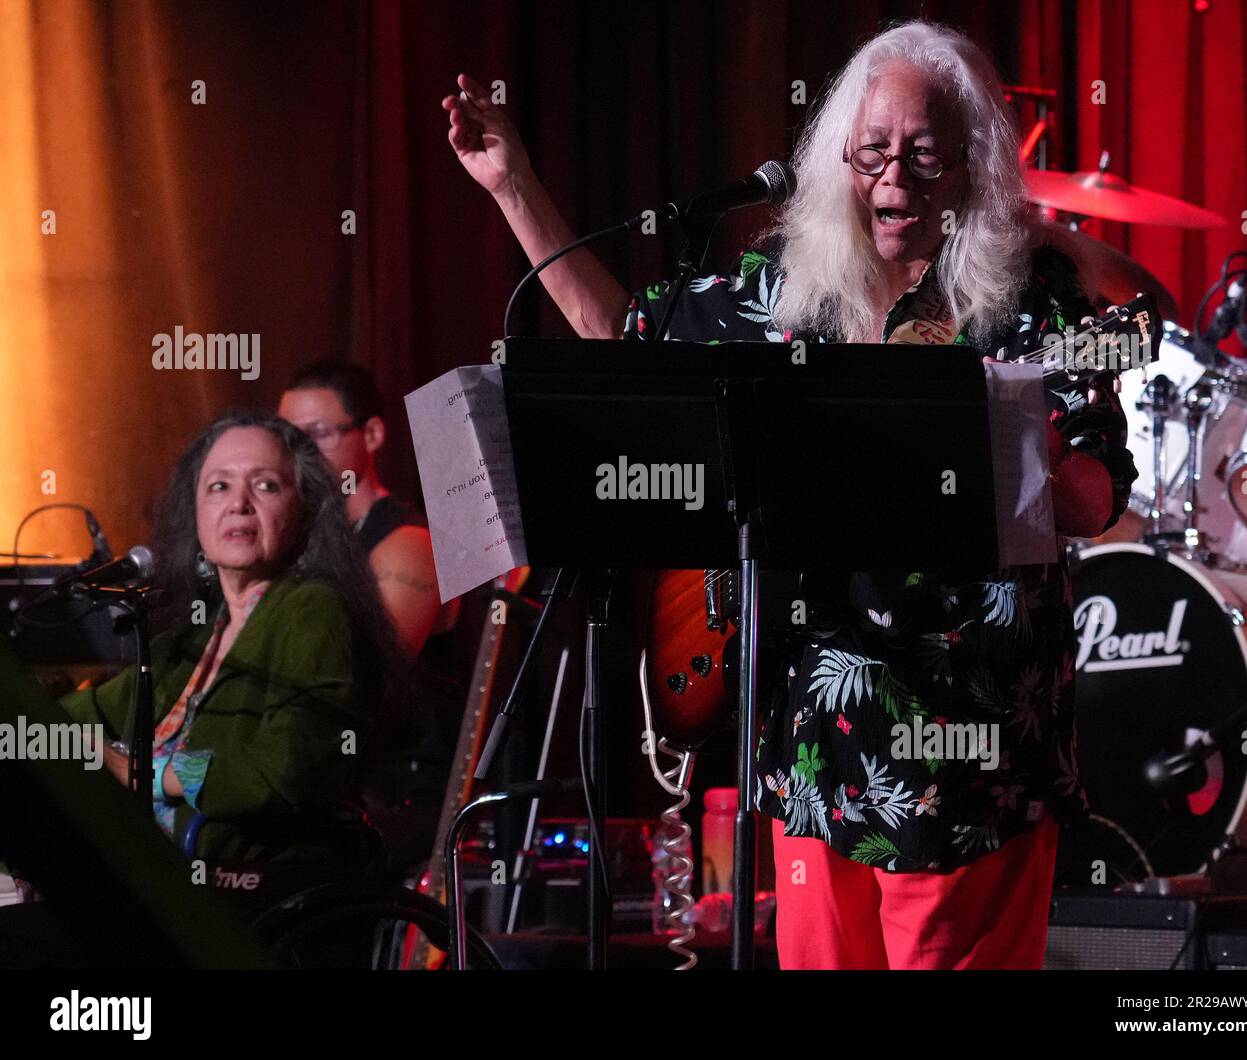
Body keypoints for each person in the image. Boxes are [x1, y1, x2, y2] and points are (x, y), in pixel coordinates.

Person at [448, 19, 1138, 969]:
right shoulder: (782, 290)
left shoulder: (1038, 297)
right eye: (872, 152)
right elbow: (620, 338)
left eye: (926, 156)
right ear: (835, 159)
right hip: (809, 740)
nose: (894, 180)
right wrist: (513, 188)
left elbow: (1096, 500)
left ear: (975, 165)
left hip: (969, 751)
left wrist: (1030, 453)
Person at [58, 410, 399, 866]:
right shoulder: (199, 625)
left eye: (265, 486)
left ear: (303, 508)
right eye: (219, 486)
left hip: (234, 881)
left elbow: (285, 768)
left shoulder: (313, 609)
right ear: (196, 512)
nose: (239, 503)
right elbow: (78, 715)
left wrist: (152, 775)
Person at [278, 361, 462, 872]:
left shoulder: (408, 544)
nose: (300, 454)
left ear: (373, 433)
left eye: (317, 434)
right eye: (288, 437)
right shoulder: (294, 544)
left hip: (395, 788)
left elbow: (361, 682)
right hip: (326, 776)